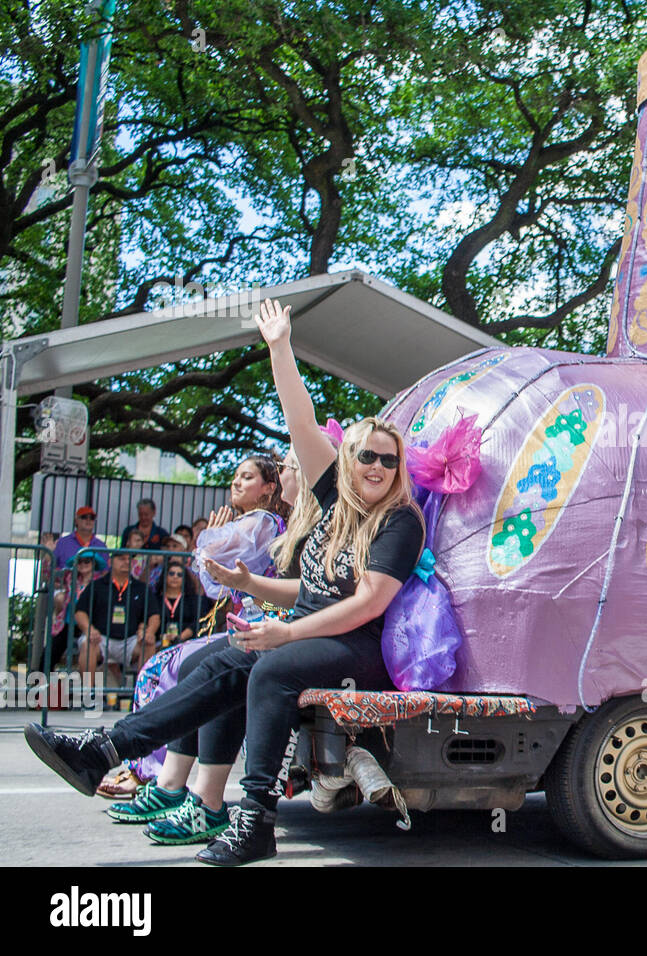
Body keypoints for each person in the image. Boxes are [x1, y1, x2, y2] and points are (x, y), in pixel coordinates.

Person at [26, 297, 424, 866]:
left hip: (359, 647)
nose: (377, 466)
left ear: (398, 466)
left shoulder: (400, 520)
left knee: (272, 667)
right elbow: (299, 423)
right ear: (348, 460)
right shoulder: (335, 500)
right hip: (312, 633)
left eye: (388, 459)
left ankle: (255, 818)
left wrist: (285, 636)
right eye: (365, 455)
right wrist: (280, 347)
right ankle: (105, 750)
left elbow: (368, 603)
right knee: (210, 662)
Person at [97, 454, 291, 812]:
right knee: (166, 666)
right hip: (248, 627)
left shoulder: (262, 522)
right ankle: (162, 778)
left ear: (268, 487)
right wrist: (208, 545)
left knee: (176, 667)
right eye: (235, 475)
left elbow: (214, 566)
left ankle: (158, 777)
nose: (236, 482)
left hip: (263, 628)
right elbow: (214, 586)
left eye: (246, 477)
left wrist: (206, 543)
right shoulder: (246, 523)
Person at [74, 550, 149, 687]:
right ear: (110, 562)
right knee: (87, 643)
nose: (126, 562)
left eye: (129, 559)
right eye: (121, 559)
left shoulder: (141, 587)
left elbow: (153, 615)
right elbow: (80, 612)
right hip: (101, 638)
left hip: (130, 639)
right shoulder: (96, 585)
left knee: (148, 642)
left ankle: (144, 693)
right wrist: (89, 629)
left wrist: (146, 630)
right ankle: (88, 693)